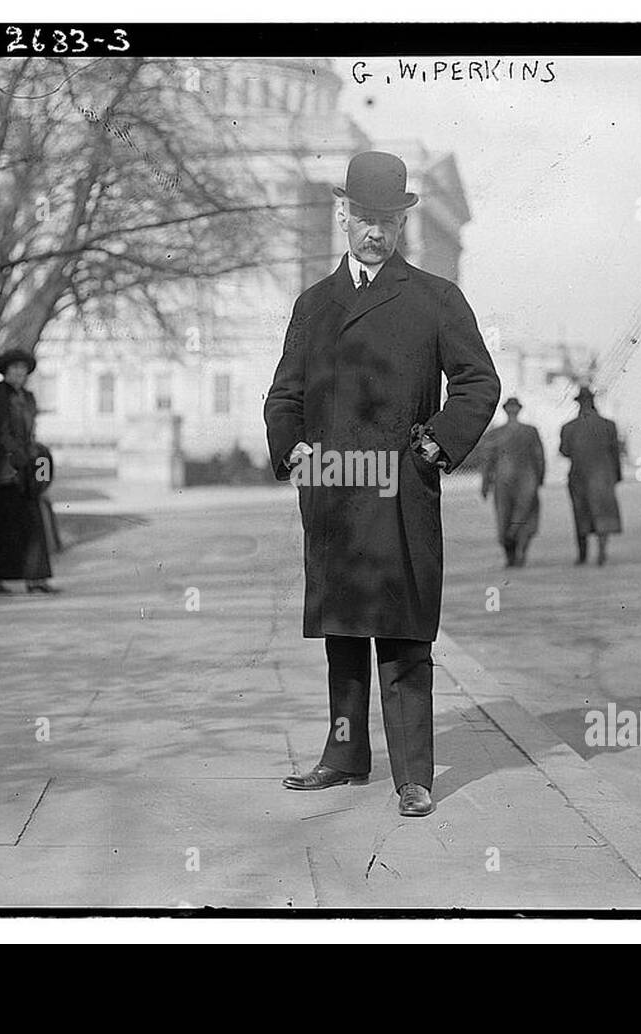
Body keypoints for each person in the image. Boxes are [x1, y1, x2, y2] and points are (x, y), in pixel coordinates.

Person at [264, 151, 500, 818]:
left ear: (400, 223)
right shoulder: (313, 306)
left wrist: (436, 444)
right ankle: (344, 754)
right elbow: (283, 395)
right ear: (345, 216)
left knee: (402, 633)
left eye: (388, 221)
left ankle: (414, 776)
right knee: (344, 630)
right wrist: (296, 456)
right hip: (335, 492)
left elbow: (478, 382)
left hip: (402, 489)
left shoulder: (436, 298)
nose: (376, 232)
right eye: (366, 218)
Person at [0, 349, 58, 594]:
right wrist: (19, 458)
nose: (19, 373)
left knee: (32, 523)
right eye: (14, 369)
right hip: (3, 472)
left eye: (22, 369)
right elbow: (3, 434)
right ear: (5, 372)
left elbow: (29, 433)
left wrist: (34, 457)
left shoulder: (28, 398)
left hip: (25, 469)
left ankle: (36, 579)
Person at [558, 385, 622, 565]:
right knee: (603, 513)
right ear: (593, 402)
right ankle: (602, 550)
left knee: (581, 513)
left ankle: (582, 555)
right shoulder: (608, 425)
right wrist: (616, 476)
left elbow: (564, 451)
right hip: (603, 476)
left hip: (579, 476)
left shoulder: (569, 427)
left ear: (578, 404)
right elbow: (615, 453)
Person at [480, 397, 546, 567]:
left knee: (505, 516)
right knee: (524, 516)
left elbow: (487, 461)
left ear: (505, 410)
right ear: (519, 409)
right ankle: (521, 553)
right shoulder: (530, 431)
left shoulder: (496, 433)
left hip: (504, 480)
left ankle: (510, 556)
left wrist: (485, 484)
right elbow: (539, 457)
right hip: (527, 479)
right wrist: (539, 478)